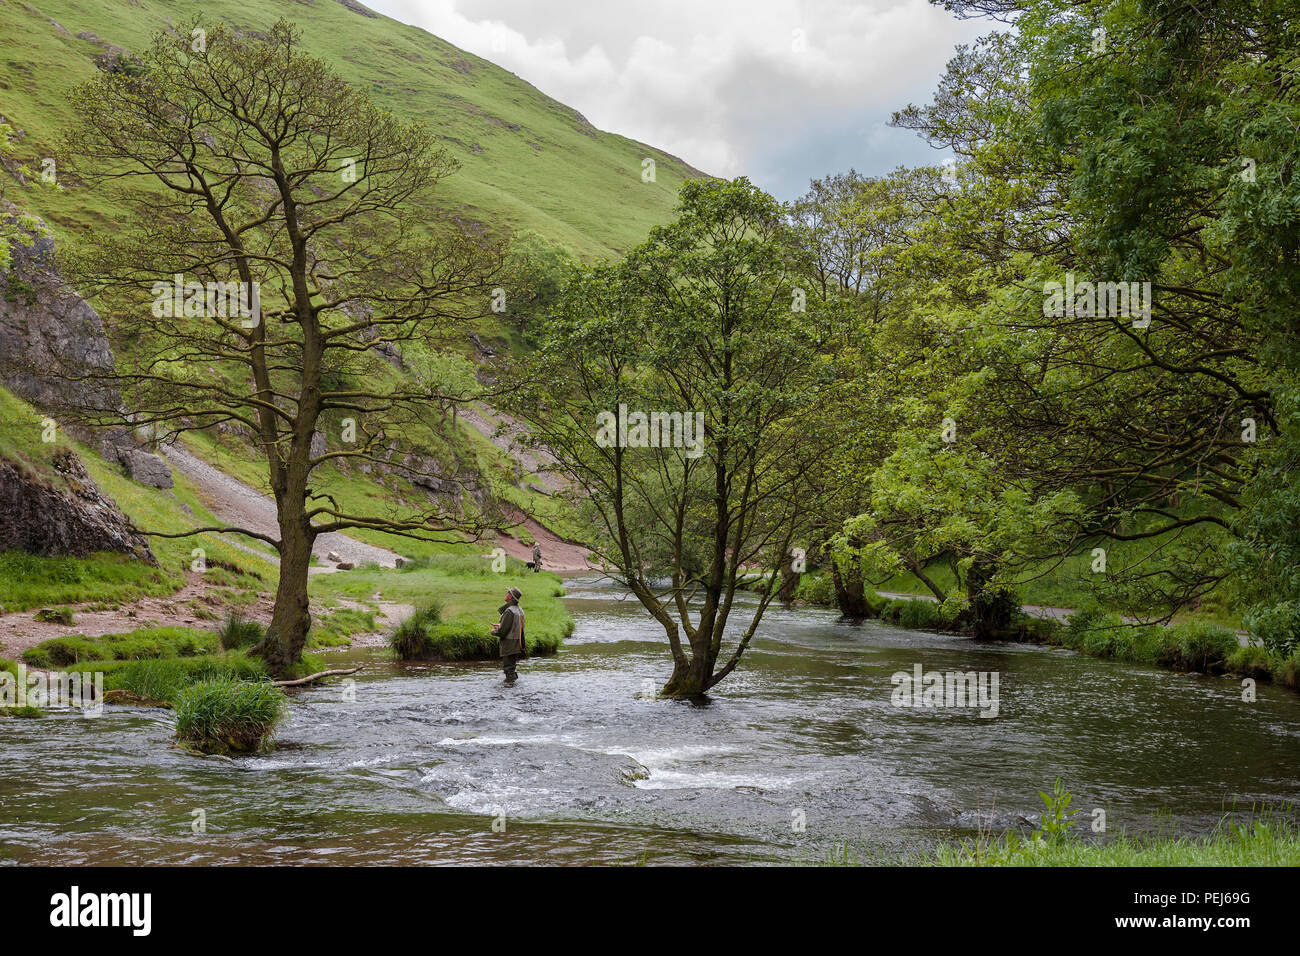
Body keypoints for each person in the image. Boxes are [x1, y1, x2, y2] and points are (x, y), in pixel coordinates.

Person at [492, 586, 526, 684]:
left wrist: (493, 631)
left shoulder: (509, 611)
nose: (506, 593)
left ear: (511, 596)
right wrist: (500, 625)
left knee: (508, 669)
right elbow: (516, 626)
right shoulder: (519, 610)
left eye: (508, 592)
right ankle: (513, 688)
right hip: (517, 643)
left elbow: (502, 632)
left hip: (509, 644)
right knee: (511, 668)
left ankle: (510, 690)